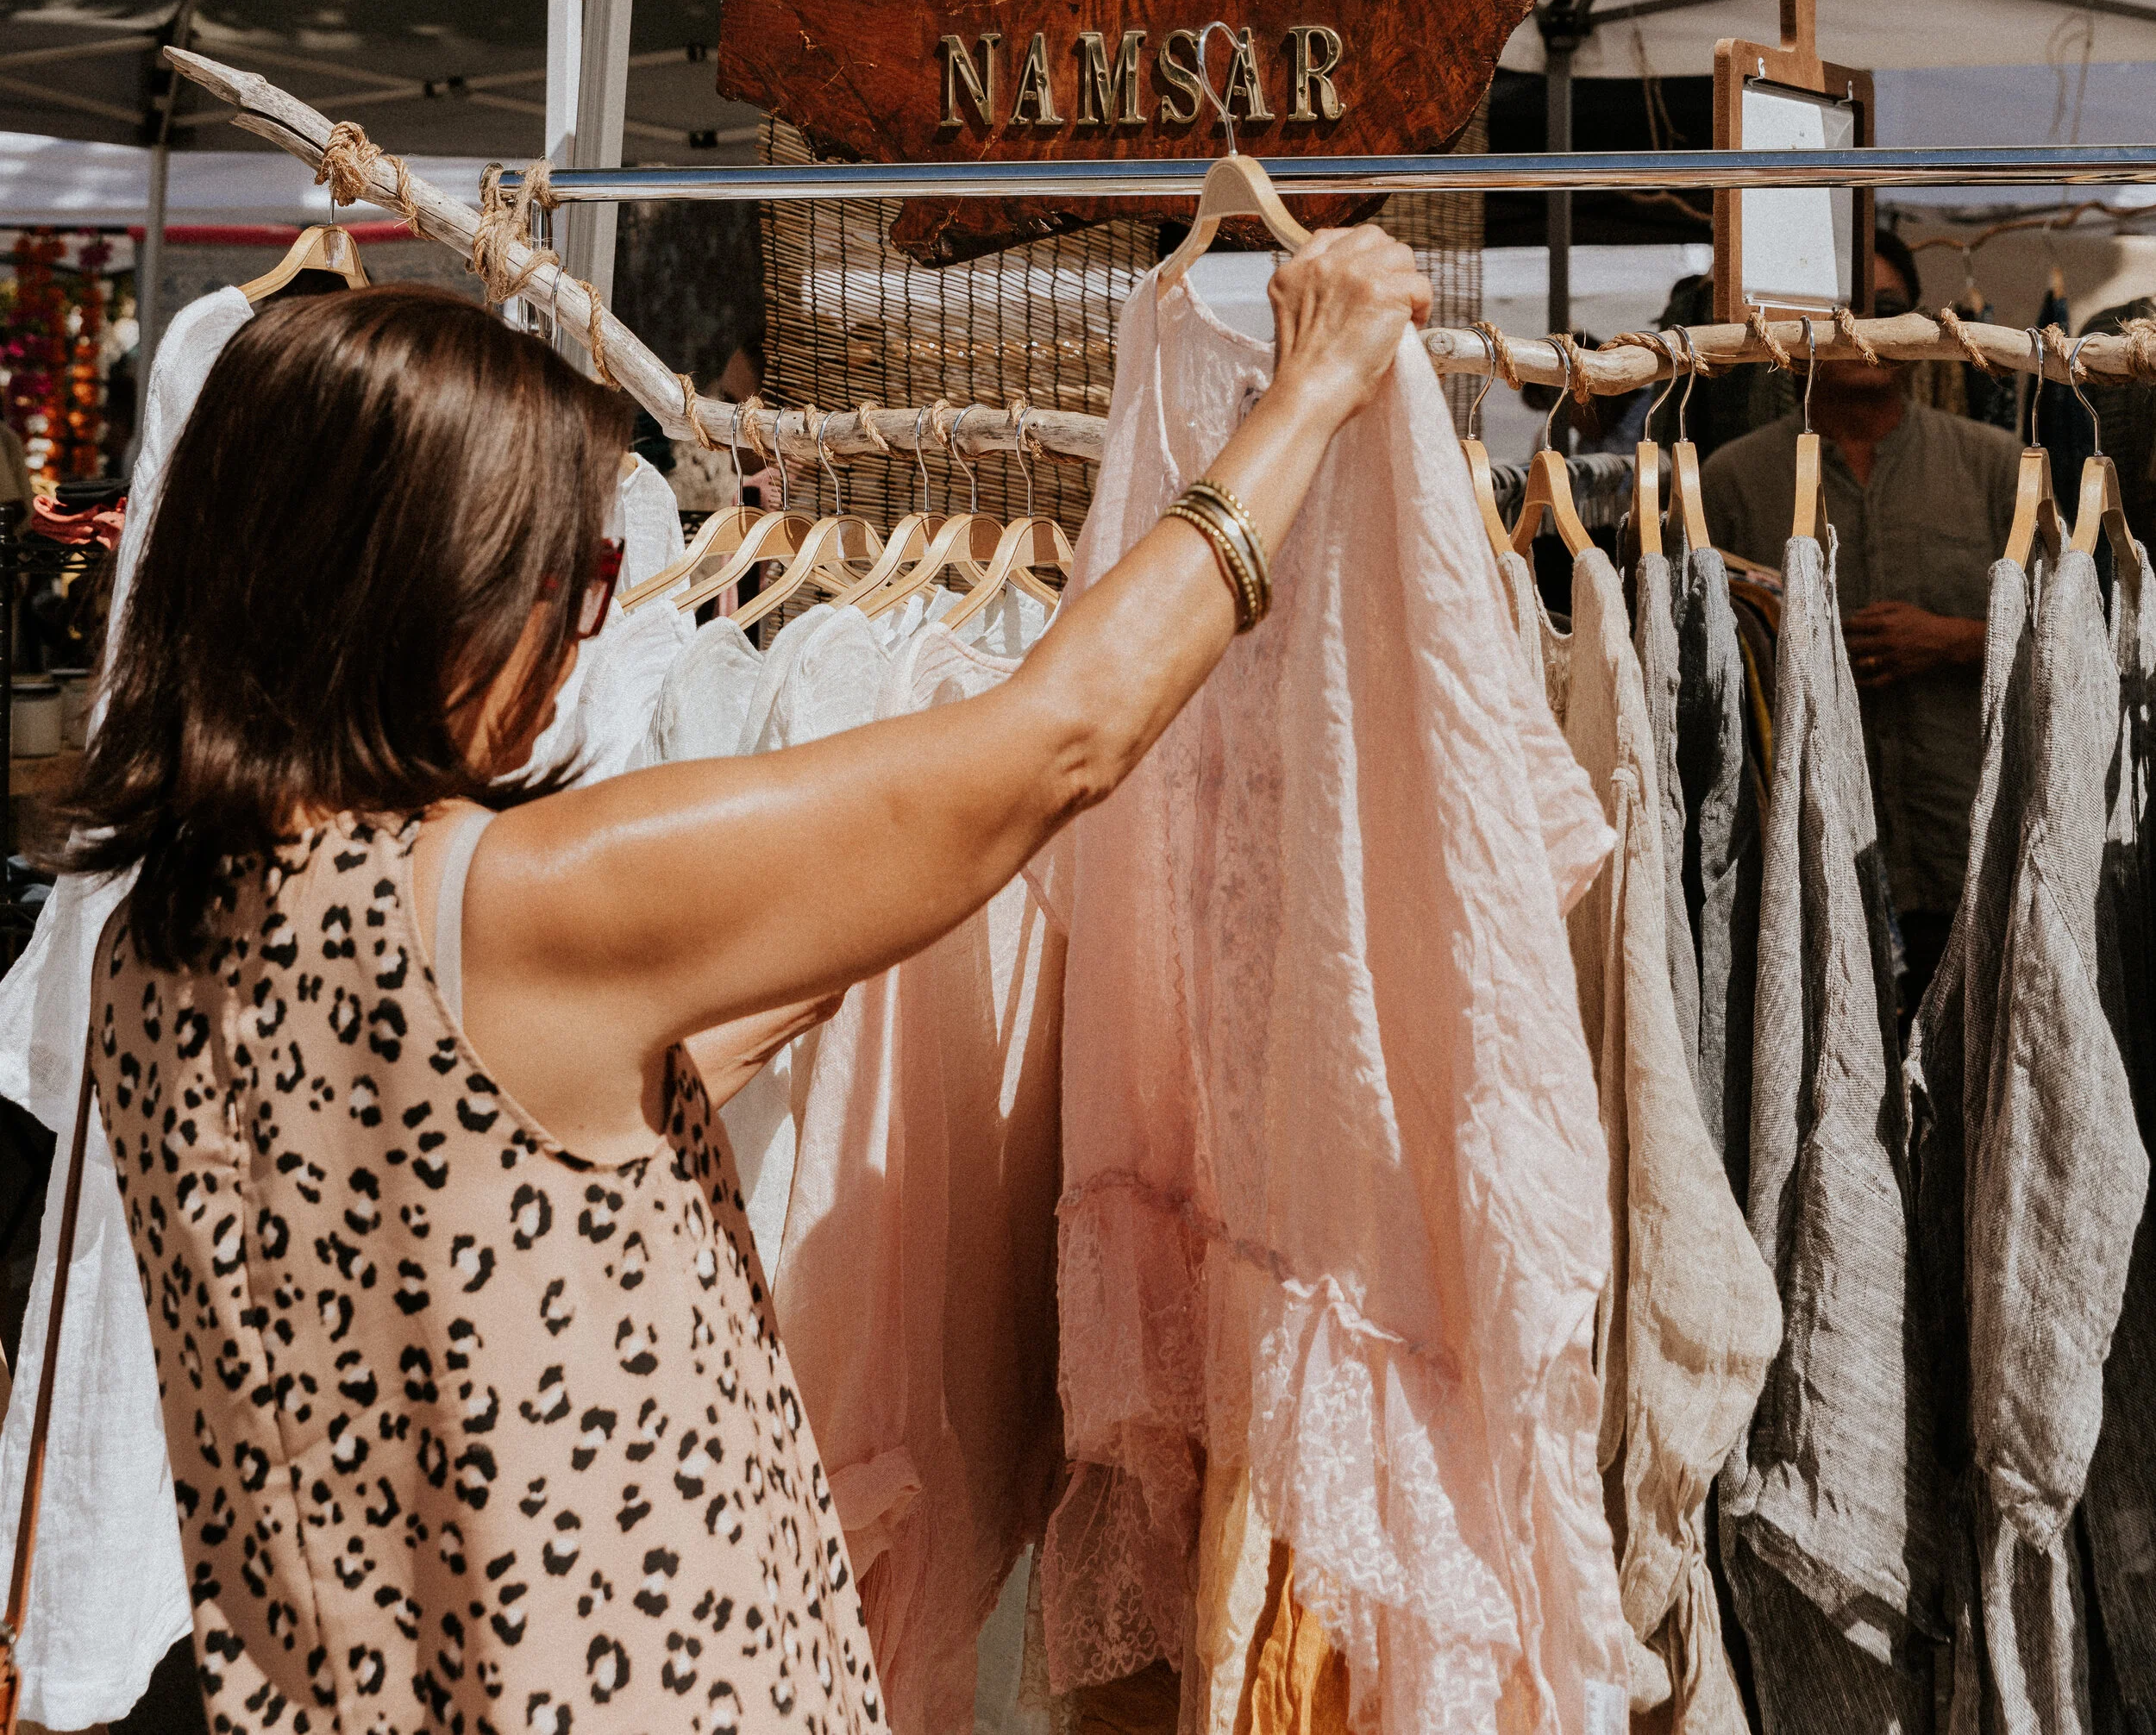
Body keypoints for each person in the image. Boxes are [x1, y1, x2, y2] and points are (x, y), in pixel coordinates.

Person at [61, 235, 1426, 1735]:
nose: (583, 634)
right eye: (574, 578)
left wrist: (736, 1033)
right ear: (424, 592)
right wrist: (1306, 393)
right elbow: (1057, 743)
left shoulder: (164, 936)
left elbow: (449, 1193)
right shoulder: (519, 899)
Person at [1698, 225, 2020, 1006]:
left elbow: (2078, 642)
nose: (1860, 329)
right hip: (1808, 850)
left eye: (1883, 308)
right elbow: (1698, 666)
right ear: (1797, 328)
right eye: (1838, 307)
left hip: (1965, 842)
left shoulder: (1995, 465)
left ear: (1915, 329)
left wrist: (1955, 641)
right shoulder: (1731, 480)